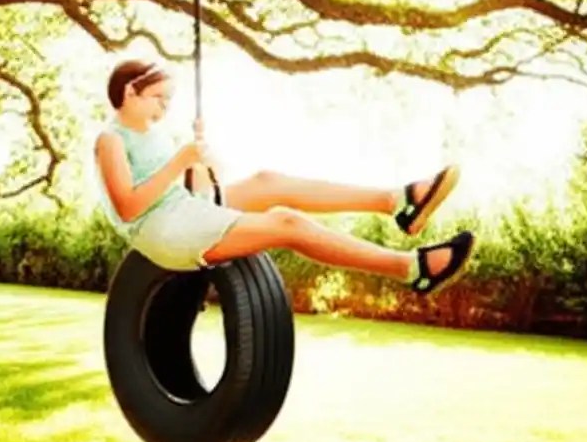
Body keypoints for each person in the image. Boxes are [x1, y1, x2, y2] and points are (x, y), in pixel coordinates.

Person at [94, 59, 475, 295]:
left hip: (182, 207)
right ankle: (412, 269)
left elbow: (192, 184)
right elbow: (128, 208)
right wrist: (181, 161)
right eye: (160, 97)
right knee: (287, 223)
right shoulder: (109, 140)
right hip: (161, 230)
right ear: (130, 91)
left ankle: (398, 202)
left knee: (267, 181)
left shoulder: (153, 134)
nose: (165, 107)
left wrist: (201, 159)